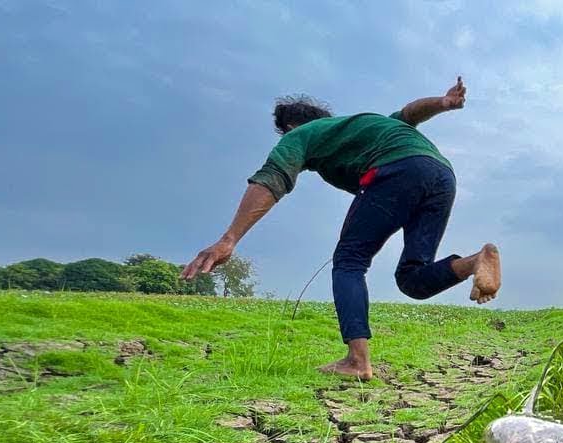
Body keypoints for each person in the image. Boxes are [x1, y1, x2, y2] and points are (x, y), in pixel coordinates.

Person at [181, 77, 498, 381]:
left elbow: (273, 177)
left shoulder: (301, 135)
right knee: (413, 280)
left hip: (397, 167)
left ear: (290, 127)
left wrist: (229, 239)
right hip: (442, 175)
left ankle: (357, 361)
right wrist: (443, 103)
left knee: (349, 262)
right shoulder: (367, 126)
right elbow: (410, 113)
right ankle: (474, 261)